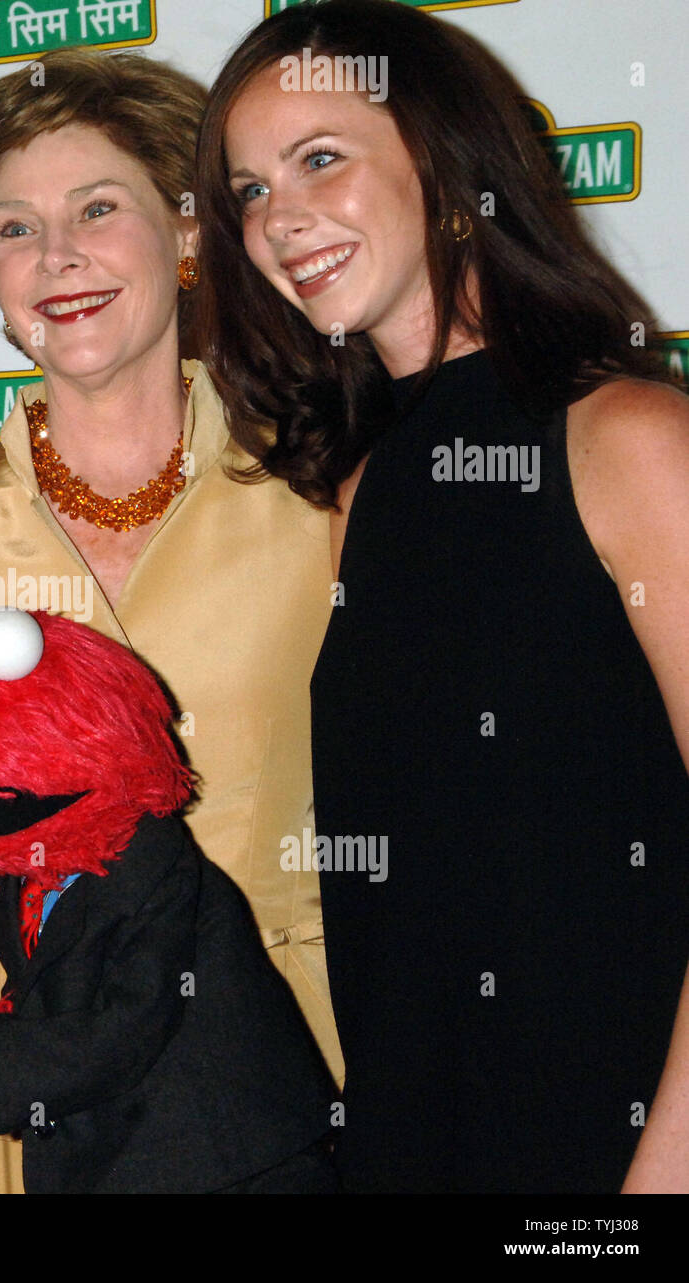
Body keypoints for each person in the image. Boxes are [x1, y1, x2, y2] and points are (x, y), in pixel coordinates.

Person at [195, 0, 689, 1193]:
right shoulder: (357, 489)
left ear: (448, 160)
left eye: (320, 159)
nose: (279, 220)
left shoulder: (626, 435)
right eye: (250, 191)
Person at [0, 48, 342, 1194]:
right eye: (14, 229)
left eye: (97, 210)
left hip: (257, 1085)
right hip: (0, 1097)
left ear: (191, 234)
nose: (55, 257)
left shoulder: (320, 497)